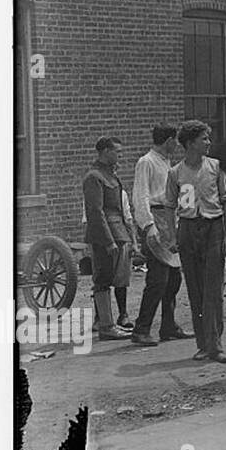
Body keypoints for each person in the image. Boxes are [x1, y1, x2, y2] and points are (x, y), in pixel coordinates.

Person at [164, 120, 226, 362]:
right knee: (195, 289)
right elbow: (170, 206)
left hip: (213, 227)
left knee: (213, 289)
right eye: (204, 139)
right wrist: (172, 236)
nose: (209, 143)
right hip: (188, 231)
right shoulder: (175, 172)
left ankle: (216, 345)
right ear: (190, 144)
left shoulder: (215, 167)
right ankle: (203, 345)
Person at [129, 124, 190, 346]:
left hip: (169, 221)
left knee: (173, 278)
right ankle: (141, 329)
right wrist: (148, 226)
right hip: (155, 221)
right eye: (175, 140)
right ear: (168, 141)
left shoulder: (167, 163)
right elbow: (141, 196)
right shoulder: (146, 162)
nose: (177, 145)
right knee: (158, 279)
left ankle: (168, 325)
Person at [83, 136, 133, 342]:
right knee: (103, 279)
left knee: (115, 279)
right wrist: (108, 240)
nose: (119, 155)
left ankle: (111, 324)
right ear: (104, 151)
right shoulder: (94, 177)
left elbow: (119, 210)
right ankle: (106, 326)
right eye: (116, 151)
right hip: (106, 237)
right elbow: (96, 212)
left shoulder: (110, 176)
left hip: (119, 233)